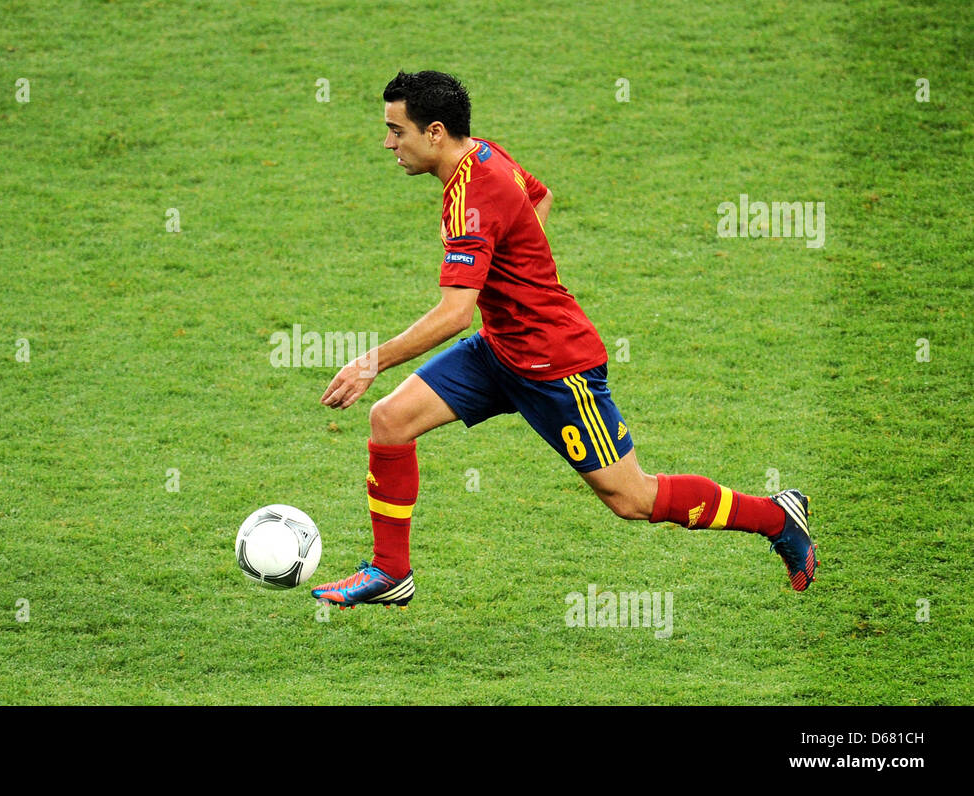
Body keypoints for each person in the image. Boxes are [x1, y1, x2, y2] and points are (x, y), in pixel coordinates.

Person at [311, 71, 817, 610]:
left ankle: (776, 516)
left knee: (632, 498)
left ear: (435, 132)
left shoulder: (471, 199)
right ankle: (391, 571)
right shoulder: (481, 154)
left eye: (396, 130)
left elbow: (455, 312)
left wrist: (371, 363)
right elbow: (540, 196)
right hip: (500, 349)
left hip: (557, 367)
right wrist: (520, 270)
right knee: (389, 421)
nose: (388, 143)